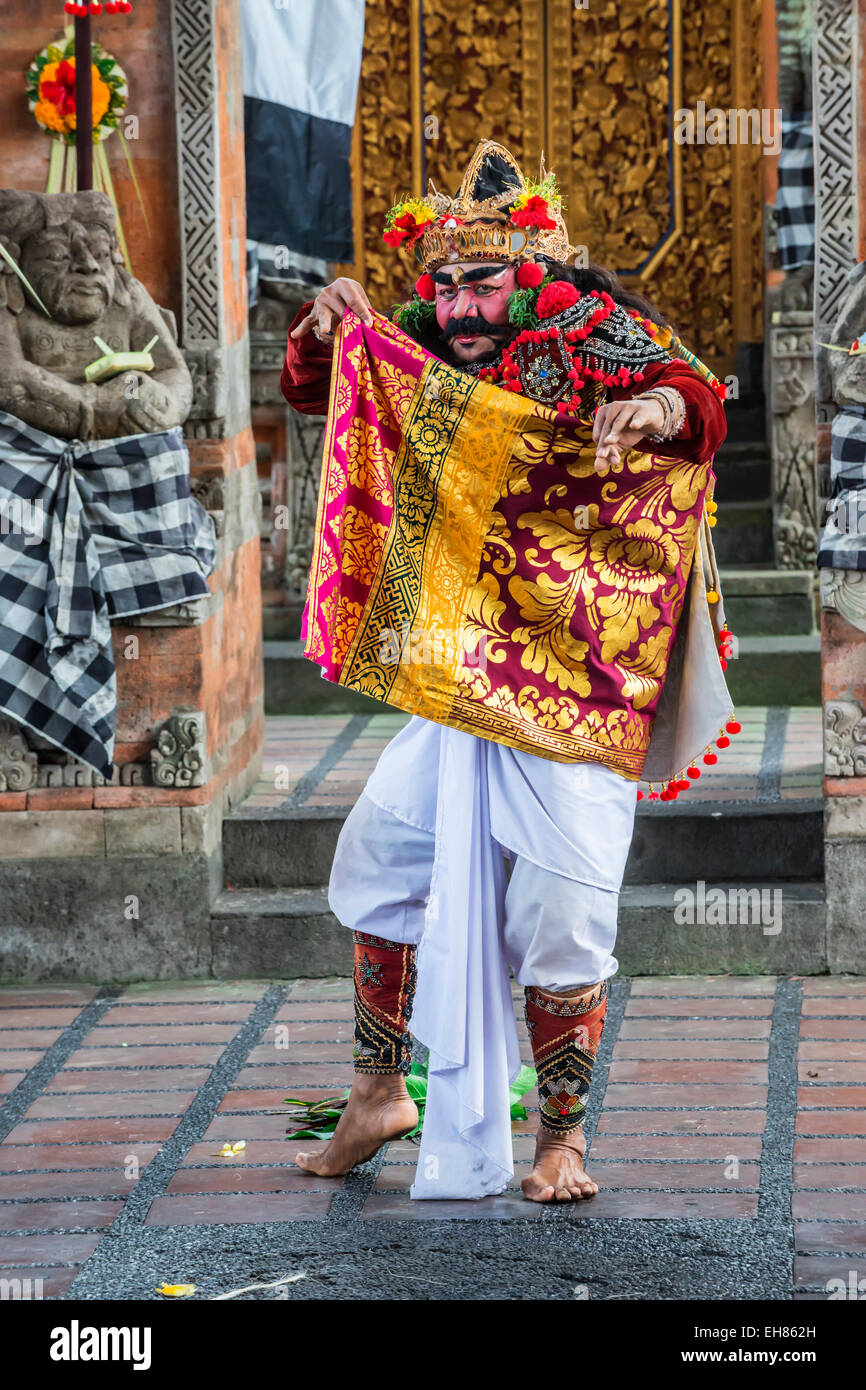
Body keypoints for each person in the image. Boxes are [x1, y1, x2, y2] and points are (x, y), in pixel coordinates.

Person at [280, 141, 729, 1203]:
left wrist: (654, 412)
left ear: (531, 270)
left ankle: (560, 1141)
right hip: (460, 671)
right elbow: (321, 391)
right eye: (442, 285)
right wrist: (322, 328)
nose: (458, 304)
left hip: (577, 677)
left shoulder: (585, 332)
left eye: (480, 282)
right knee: (380, 857)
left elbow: (699, 397)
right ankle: (375, 1094)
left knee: (563, 913)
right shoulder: (429, 344)